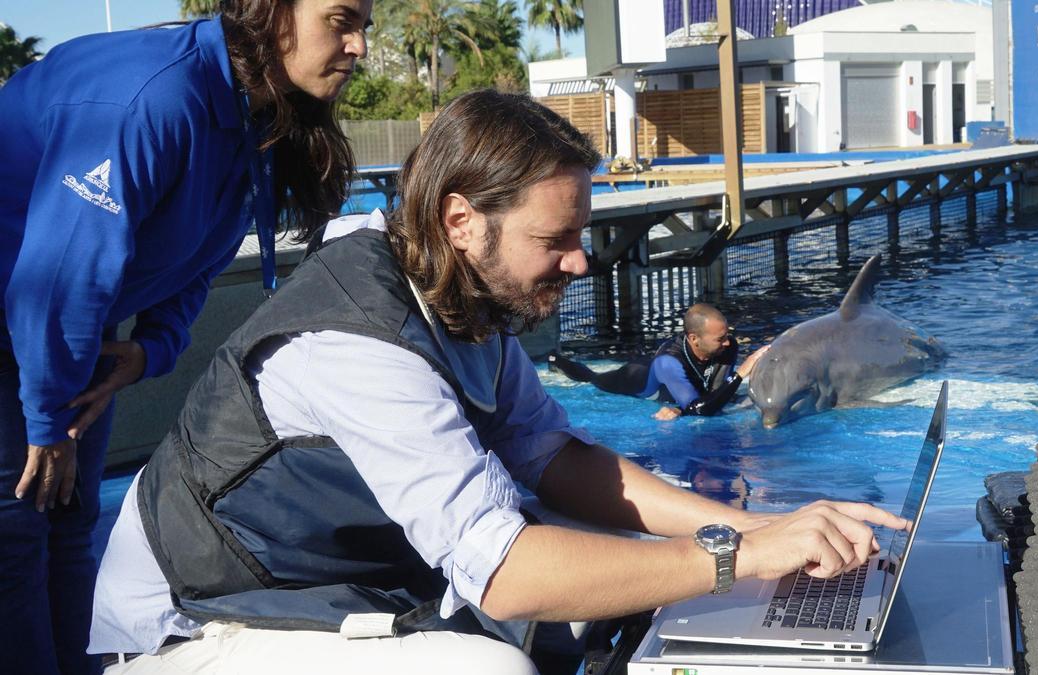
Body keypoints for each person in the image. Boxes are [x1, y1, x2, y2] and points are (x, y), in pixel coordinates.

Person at [89, 90, 907, 674]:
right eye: (557, 239)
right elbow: (505, 573)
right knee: (490, 668)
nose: (580, 261)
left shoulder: (458, 293)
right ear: (461, 220)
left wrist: (754, 525)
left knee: (625, 574)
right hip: (191, 620)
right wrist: (737, 558)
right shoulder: (358, 342)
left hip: (317, 583)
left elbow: (553, 456)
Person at [0, 1, 371, 672]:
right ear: (271, 12)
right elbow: (58, 274)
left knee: (71, 528)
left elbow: (201, 248)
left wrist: (153, 344)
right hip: (31, 314)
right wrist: (47, 417)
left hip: (68, 326)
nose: (359, 46)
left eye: (363, 26)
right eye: (341, 20)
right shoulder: (153, 100)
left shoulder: (253, 112)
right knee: (14, 539)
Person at [549, 303, 770, 420]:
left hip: (669, 379)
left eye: (726, 335)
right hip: (634, 377)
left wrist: (681, 410)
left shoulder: (726, 346)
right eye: (720, 339)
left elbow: (714, 393)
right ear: (694, 339)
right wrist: (740, 374)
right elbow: (700, 409)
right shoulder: (669, 363)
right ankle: (555, 359)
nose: (727, 343)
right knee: (592, 378)